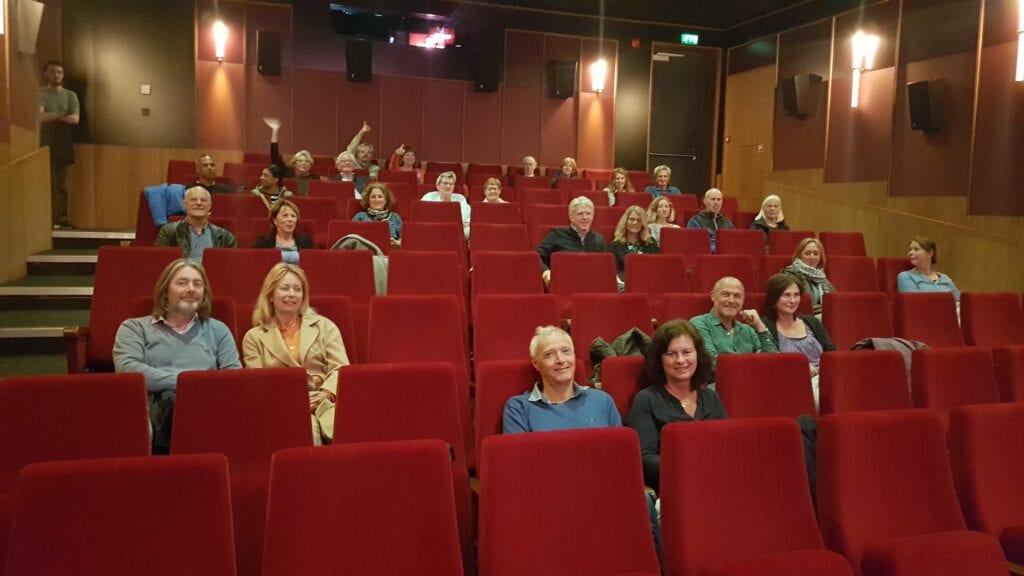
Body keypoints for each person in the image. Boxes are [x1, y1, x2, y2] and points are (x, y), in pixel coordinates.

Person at [113, 258, 241, 453]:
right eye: (182, 282)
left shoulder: (218, 330)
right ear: (165, 290)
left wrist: (193, 387)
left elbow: (234, 377)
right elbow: (129, 370)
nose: (191, 289)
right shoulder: (134, 328)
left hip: (206, 408)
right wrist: (188, 381)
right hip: (152, 409)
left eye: (197, 284)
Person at [243, 263, 349, 445]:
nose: (292, 294)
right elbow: (256, 383)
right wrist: (295, 393)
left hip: (324, 401)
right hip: (282, 406)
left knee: (351, 432)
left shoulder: (325, 326)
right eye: (284, 288)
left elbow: (341, 368)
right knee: (308, 433)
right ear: (270, 295)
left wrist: (325, 392)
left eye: (297, 289)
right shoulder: (254, 337)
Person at [626, 319, 727, 492]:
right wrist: (691, 466)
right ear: (659, 359)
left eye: (687, 352)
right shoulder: (646, 399)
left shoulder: (711, 398)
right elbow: (644, 459)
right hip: (673, 488)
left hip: (717, 483)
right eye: (671, 354)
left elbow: (726, 447)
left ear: (697, 354)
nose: (680, 360)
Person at [503, 326, 620, 433]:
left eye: (566, 351)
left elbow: (620, 451)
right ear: (536, 363)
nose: (561, 360)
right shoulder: (519, 408)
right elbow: (518, 456)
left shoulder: (602, 401)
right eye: (549, 354)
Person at [763, 274, 836, 408]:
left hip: (824, 379)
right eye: (786, 295)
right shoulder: (765, 326)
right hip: (792, 383)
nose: (793, 300)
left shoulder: (812, 322)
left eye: (796, 295)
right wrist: (800, 369)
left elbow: (832, 354)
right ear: (774, 298)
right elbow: (771, 361)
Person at [690, 276, 778, 372]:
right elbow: (712, 363)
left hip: (751, 382)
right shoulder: (699, 324)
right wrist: (753, 362)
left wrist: (760, 326)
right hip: (716, 384)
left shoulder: (748, 330)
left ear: (743, 299)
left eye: (737, 296)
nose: (731, 301)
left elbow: (772, 360)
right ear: (713, 296)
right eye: (725, 294)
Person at [39, 60, 80, 229]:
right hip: (44, 141)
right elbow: (39, 117)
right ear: (45, 74)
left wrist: (52, 116)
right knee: (45, 182)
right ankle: (45, 218)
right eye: (52, 71)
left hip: (63, 142)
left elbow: (75, 119)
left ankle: (61, 218)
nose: (56, 75)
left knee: (61, 183)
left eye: (59, 72)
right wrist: (61, 114)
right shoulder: (39, 93)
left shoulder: (70, 95)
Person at [535, 196, 607, 286]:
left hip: (592, 285)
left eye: (588, 213)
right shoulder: (557, 234)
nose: (585, 217)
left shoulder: (598, 239)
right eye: (580, 214)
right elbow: (535, 256)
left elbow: (605, 267)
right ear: (571, 217)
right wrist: (546, 271)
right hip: (563, 284)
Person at [156, 186, 237, 261]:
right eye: (193, 200)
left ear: (210, 206)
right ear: (184, 204)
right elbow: (162, 263)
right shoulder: (168, 232)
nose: (198, 203)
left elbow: (229, 268)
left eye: (203, 200)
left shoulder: (226, 237)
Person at [264, 117, 322, 196]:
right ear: (294, 163)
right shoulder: (286, 173)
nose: (303, 163)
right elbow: (275, 157)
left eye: (307, 161)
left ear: (310, 165)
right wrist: (275, 131)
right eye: (300, 161)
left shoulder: (315, 179)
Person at [897, 236, 960, 301]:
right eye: (910, 249)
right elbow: (914, 303)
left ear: (930, 253)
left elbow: (959, 301)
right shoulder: (906, 276)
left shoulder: (945, 278)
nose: (910, 253)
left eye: (916, 249)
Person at [782, 238, 835, 316]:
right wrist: (824, 309)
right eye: (807, 253)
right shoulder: (791, 275)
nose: (812, 257)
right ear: (800, 255)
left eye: (816, 253)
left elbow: (835, 303)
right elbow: (802, 305)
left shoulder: (822, 278)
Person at [608, 205, 659, 281]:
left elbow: (656, 268)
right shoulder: (615, 245)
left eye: (639, 220)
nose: (635, 223)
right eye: (631, 219)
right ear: (625, 221)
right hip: (624, 284)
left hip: (648, 281)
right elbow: (615, 271)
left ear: (643, 224)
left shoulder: (651, 243)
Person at [421, 171, 471, 238]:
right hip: (432, 228)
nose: (448, 186)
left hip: (454, 229)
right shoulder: (428, 197)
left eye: (451, 184)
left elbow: (465, 219)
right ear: (437, 185)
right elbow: (421, 216)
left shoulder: (460, 198)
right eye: (445, 183)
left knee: (469, 230)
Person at [353, 181, 403, 246]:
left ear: (386, 200)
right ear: (368, 200)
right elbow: (352, 239)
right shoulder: (360, 217)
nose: (377, 200)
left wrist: (397, 243)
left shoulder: (395, 217)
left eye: (380, 196)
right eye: (373, 197)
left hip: (388, 253)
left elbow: (404, 241)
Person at [686, 188, 735, 253]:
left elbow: (734, 241)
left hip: (727, 255)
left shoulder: (727, 221)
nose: (716, 202)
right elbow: (695, 245)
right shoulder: (695, 221)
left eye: (719, 200)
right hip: (706, 256)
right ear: (705, 201)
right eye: (713, 199)